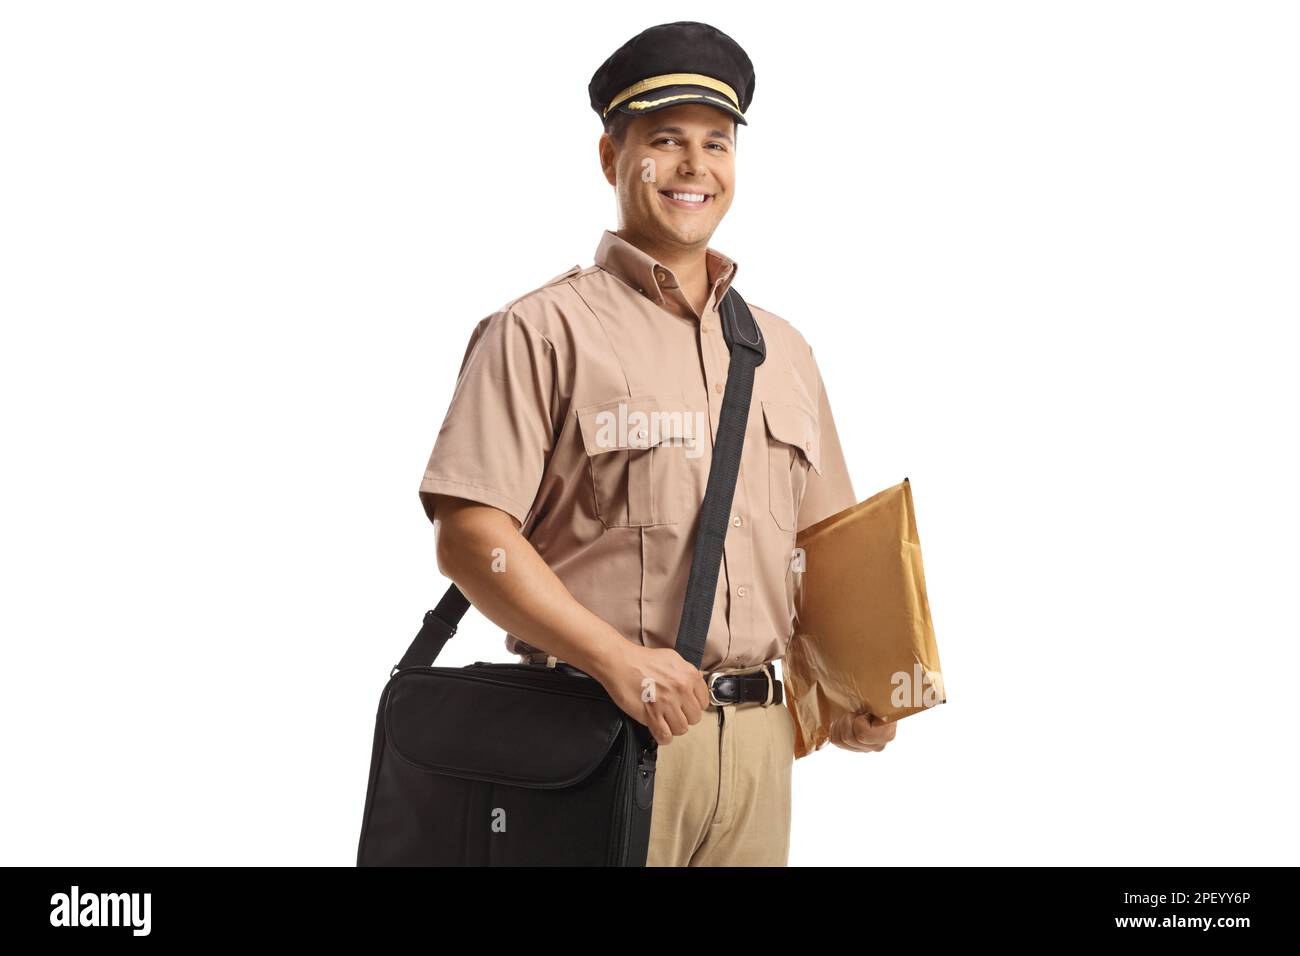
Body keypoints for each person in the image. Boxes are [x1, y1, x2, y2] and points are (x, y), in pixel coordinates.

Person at [419, 20, 896, 867]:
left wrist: (856, 680)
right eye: (665, 140)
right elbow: (470, 538)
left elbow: (828, 546)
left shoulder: (782, 351)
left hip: (758, 748)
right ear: (612, 159)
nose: (694, 167)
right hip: (594, 732)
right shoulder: (541, 331)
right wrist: (613, 658)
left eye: (717, 143)